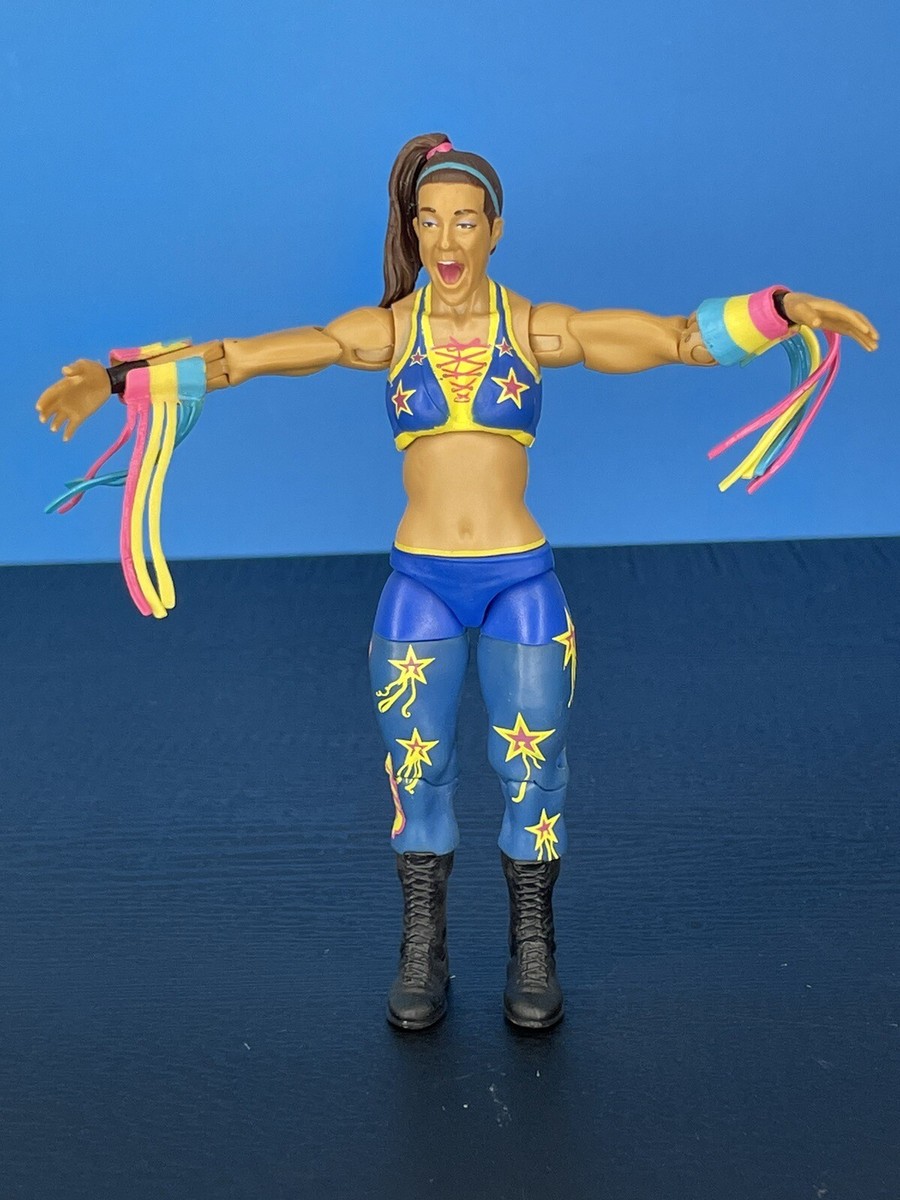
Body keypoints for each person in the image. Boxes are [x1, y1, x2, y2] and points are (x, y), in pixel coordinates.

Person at [36, 131, 879, 1032]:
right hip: (421, 582)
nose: (445, 240)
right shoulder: (388, 332)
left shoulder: (537, 328)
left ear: (495, 230)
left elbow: (677, 338)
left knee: (536, 774)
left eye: (465, 221)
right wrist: (120, 376)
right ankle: (422, 946)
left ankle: (532, 942)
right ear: (413, 226)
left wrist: (781, 309)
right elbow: (246, 357)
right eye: (429, 220)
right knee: (417, 774)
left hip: (521, 580)